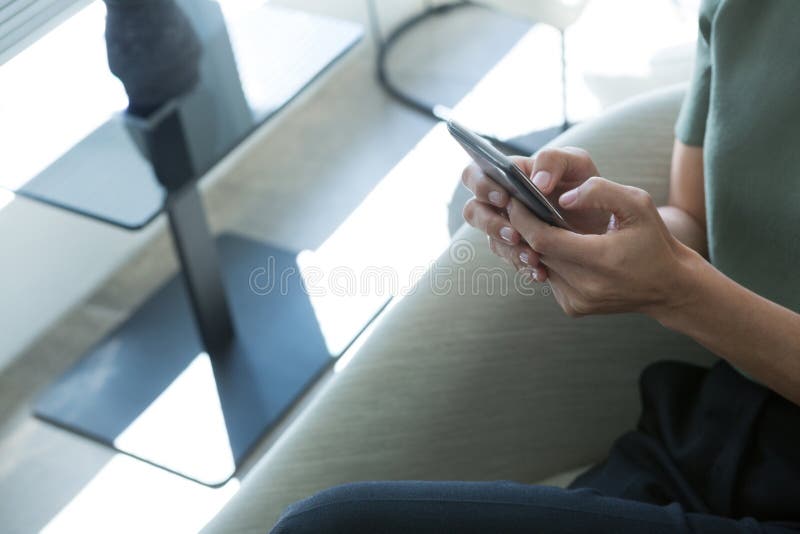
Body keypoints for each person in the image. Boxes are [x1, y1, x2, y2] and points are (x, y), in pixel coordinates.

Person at [271, 1, 800, 531]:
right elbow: (695, 220)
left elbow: (690, 278)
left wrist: (679, 294)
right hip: (723, 424)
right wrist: (593, 228)